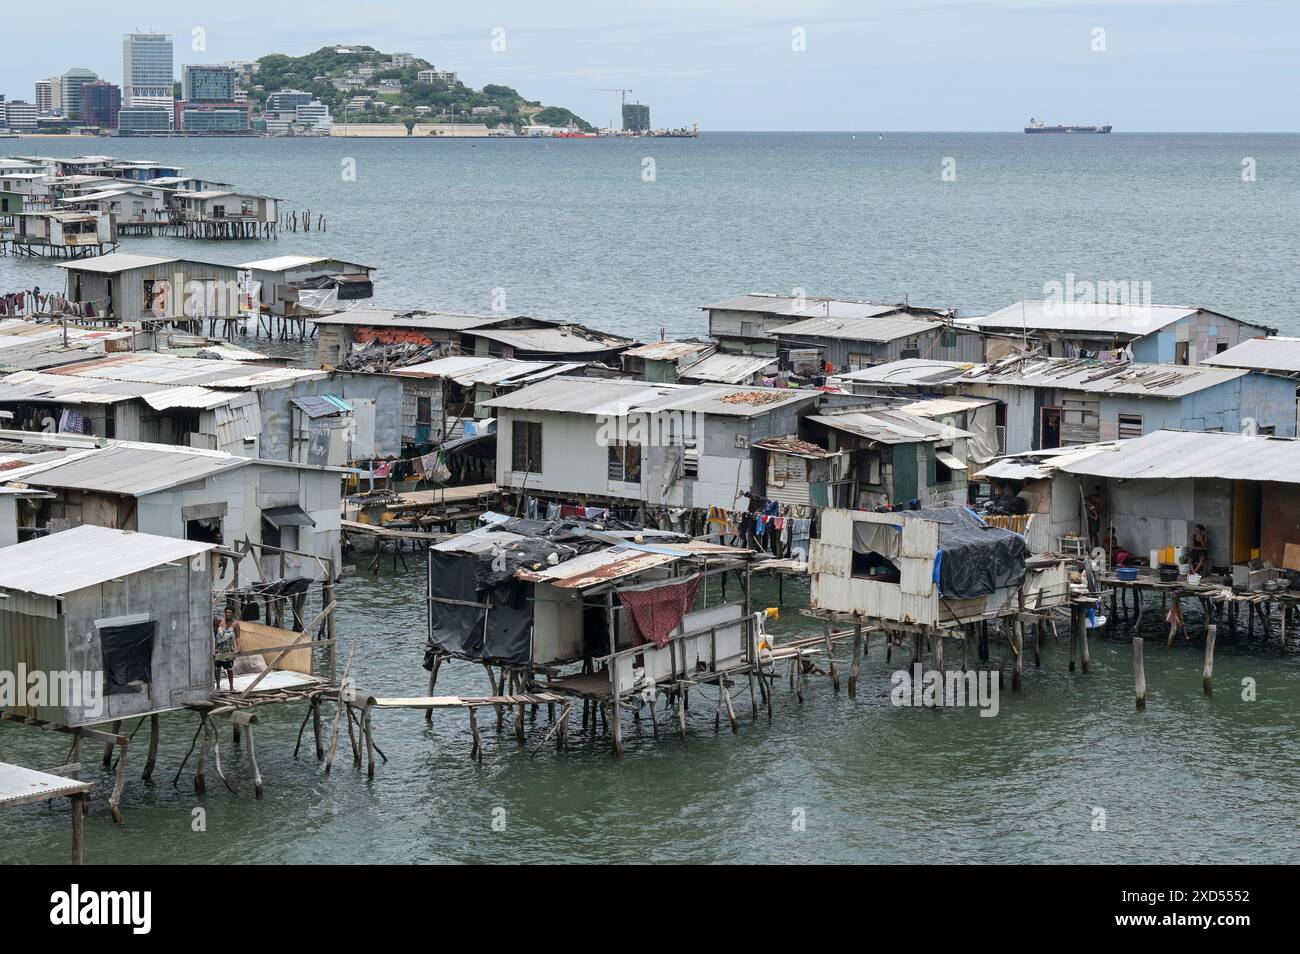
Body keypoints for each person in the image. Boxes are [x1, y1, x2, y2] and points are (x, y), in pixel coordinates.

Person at [213, 605, 241, 691]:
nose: (227, 614)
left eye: (229, 612)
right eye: (226, 612)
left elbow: (237, 636)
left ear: (233, 614)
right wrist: (215, 644)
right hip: (219, 649)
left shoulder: (235, 624)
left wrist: (239, 648)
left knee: (229, 669)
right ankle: (217, 686)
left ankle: (231, 687)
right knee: (217, 668)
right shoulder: (219, 621)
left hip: (229, 649)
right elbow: (214, 630)